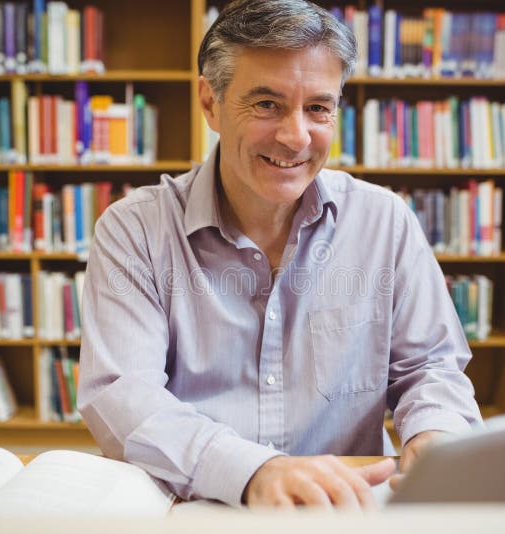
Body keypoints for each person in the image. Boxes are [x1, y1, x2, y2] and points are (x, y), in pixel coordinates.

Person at [78, 0, 482, 510]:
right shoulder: (135, 229)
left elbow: (431, 368)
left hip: (350, 507)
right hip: (206, 507)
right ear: (210, 102)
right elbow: (123, 395)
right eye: (266, 105)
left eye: (318, 108)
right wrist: (253, 472)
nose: (296, 137)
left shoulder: (385, 221)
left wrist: (436, 436)